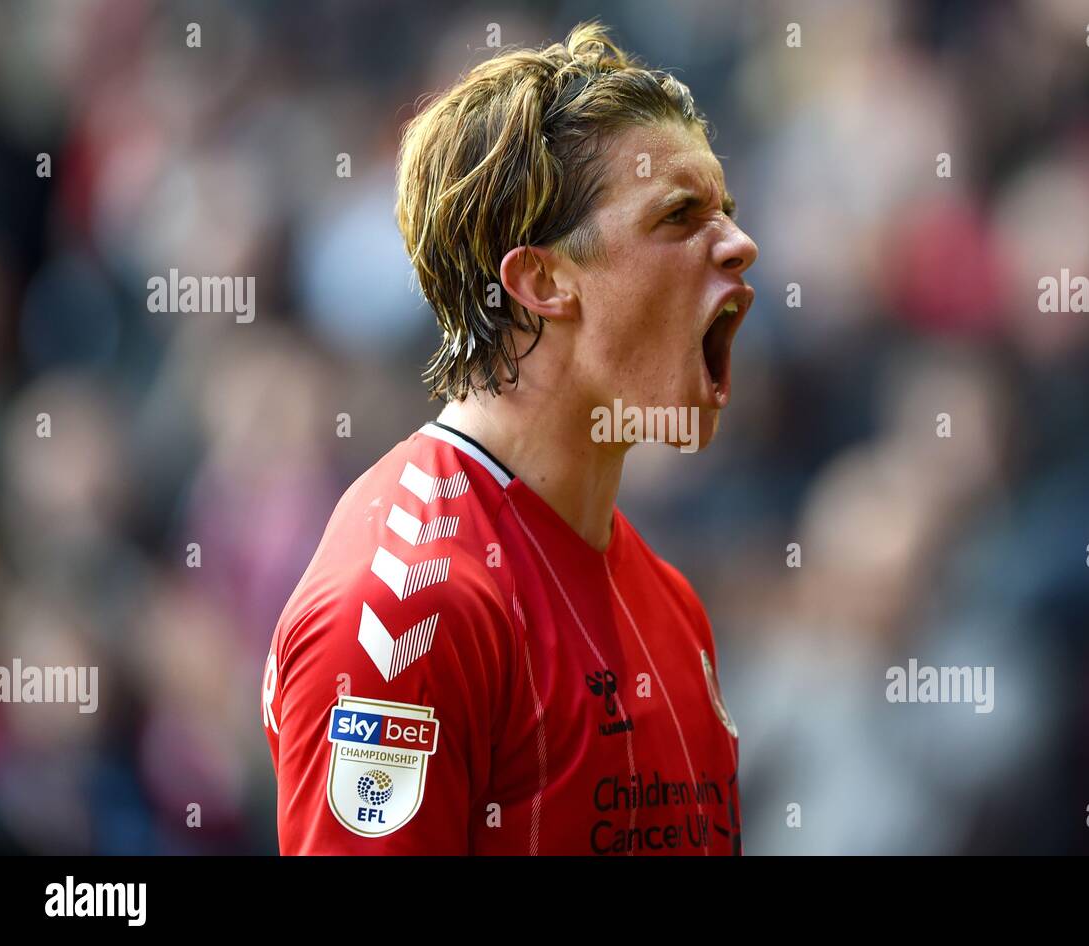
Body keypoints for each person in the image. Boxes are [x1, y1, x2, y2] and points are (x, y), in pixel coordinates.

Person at [262, 20, 758, 855]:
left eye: (727, 212)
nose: (740, 245)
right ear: (540, 281)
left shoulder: (673, 604)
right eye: (681, 216)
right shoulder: (400, 617)